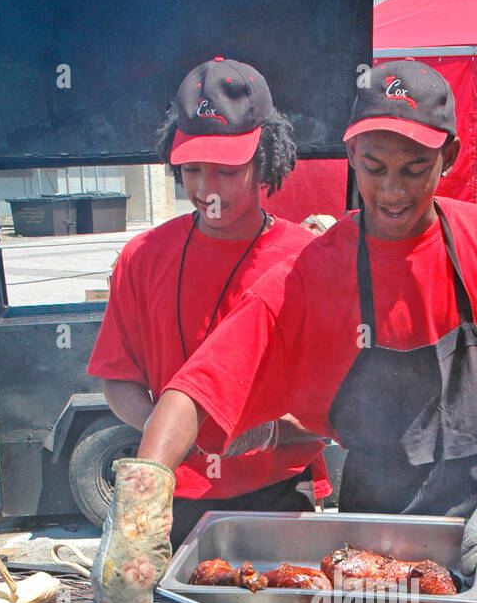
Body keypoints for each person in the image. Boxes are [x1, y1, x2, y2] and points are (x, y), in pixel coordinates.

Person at [94, 61, 477, 603]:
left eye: (416, 169)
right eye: (374, 167)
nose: (392, 190)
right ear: (351, 155)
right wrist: (140, 508)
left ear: (451, 157)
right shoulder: (315, 269)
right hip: (378, 540)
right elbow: (195, 386)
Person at [87, 57, 329, 549]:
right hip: (177, 493)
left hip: (280, 492)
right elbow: (119, 382)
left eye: (225, 170)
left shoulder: (308, 260)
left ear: (266, 159)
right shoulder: (141, 257)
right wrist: (173, 436)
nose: (204, 190)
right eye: (192, 169)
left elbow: (341, 399)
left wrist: (266, 432)